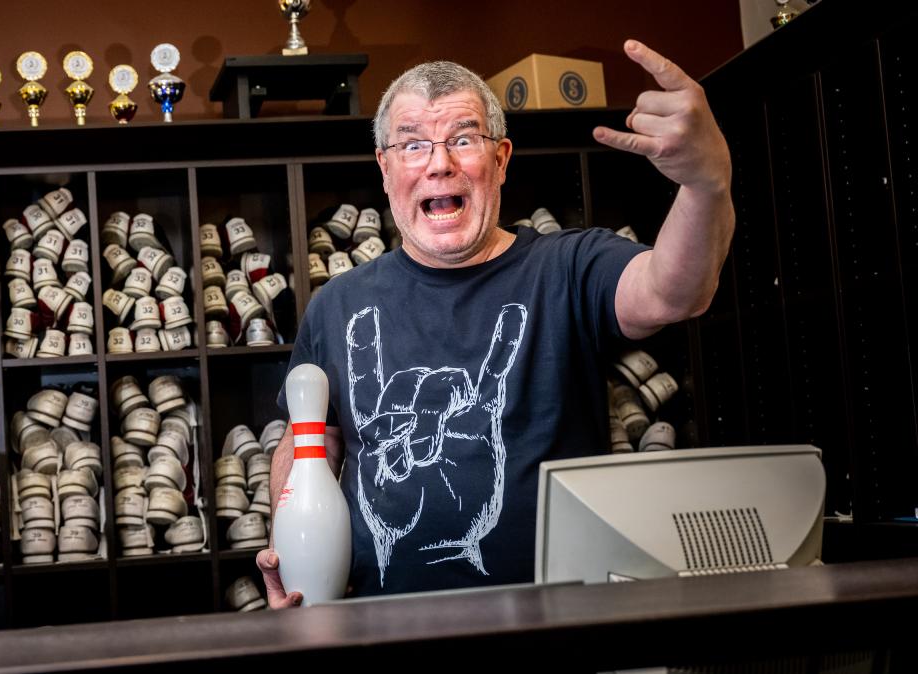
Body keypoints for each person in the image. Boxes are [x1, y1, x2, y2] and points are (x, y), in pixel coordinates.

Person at [256, 40, 734, 606]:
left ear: (502, 158)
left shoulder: (569, 268)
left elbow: (673, 292)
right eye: (412, 145)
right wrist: (288, 550)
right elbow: (312, 441)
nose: (440, 163)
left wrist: (707, 185)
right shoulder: (336, 305)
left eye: (463, 139)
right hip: (379, 632)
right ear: (385, 170)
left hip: (556, 629)